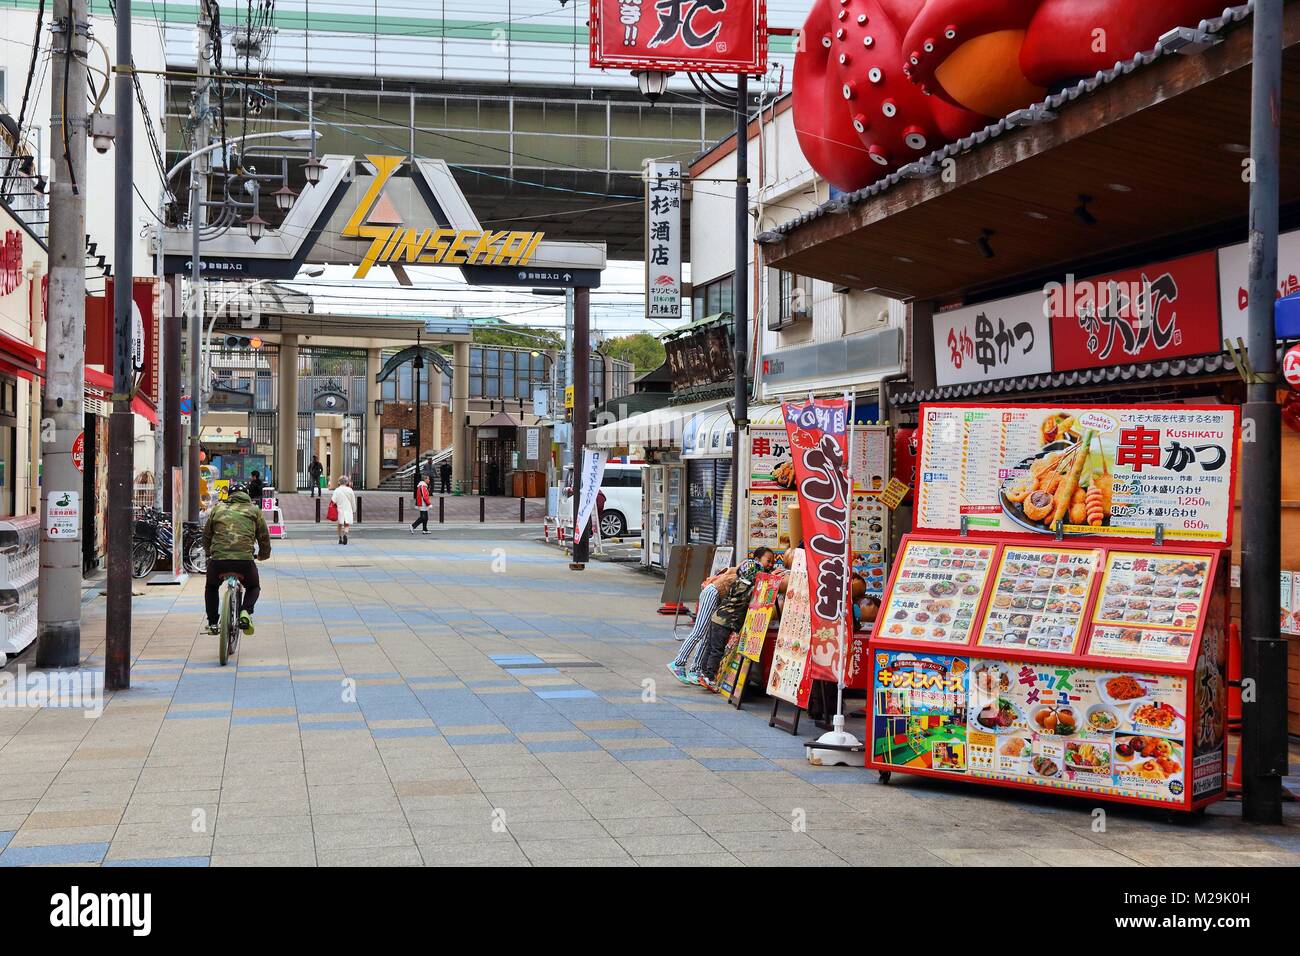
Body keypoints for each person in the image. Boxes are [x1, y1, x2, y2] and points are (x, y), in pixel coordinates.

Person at [698, 547, 777, 691]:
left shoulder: (738, 583)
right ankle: (709, 677)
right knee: (717, 650)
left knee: (710, 647)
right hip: (725, 622)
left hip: (716, 617)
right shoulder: (749, 589)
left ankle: (703, 673)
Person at [203, 481, 270, 635]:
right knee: (253, 587)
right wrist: (263, 555)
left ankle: (213, 623)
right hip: (244, 562)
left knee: (211, 587)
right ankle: (245, 611)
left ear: (230, 496)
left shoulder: (217, 509)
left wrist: (209, 552)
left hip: (218, 561)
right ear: (246, 495)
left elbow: (206, 535)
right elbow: (264, 537)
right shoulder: (254, 511)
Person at [668, 565, 736, 686]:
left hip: (715, 596)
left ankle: (695, 670)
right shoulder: (746, 569)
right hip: (712, 594)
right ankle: (678, 663)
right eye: (768, 560)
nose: (770, 564)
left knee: (705, 636)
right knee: (699, 632)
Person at [331, 475, 357, 545]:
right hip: (348, 509)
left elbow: (333, 500)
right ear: (347, 482)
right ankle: (345, 534)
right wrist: (354, 510)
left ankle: (340, 538)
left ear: (339, 482)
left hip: (340, 510)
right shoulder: (350, 490)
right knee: (347, 524)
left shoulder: (337, 490)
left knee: (339, 524)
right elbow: (353, 501)